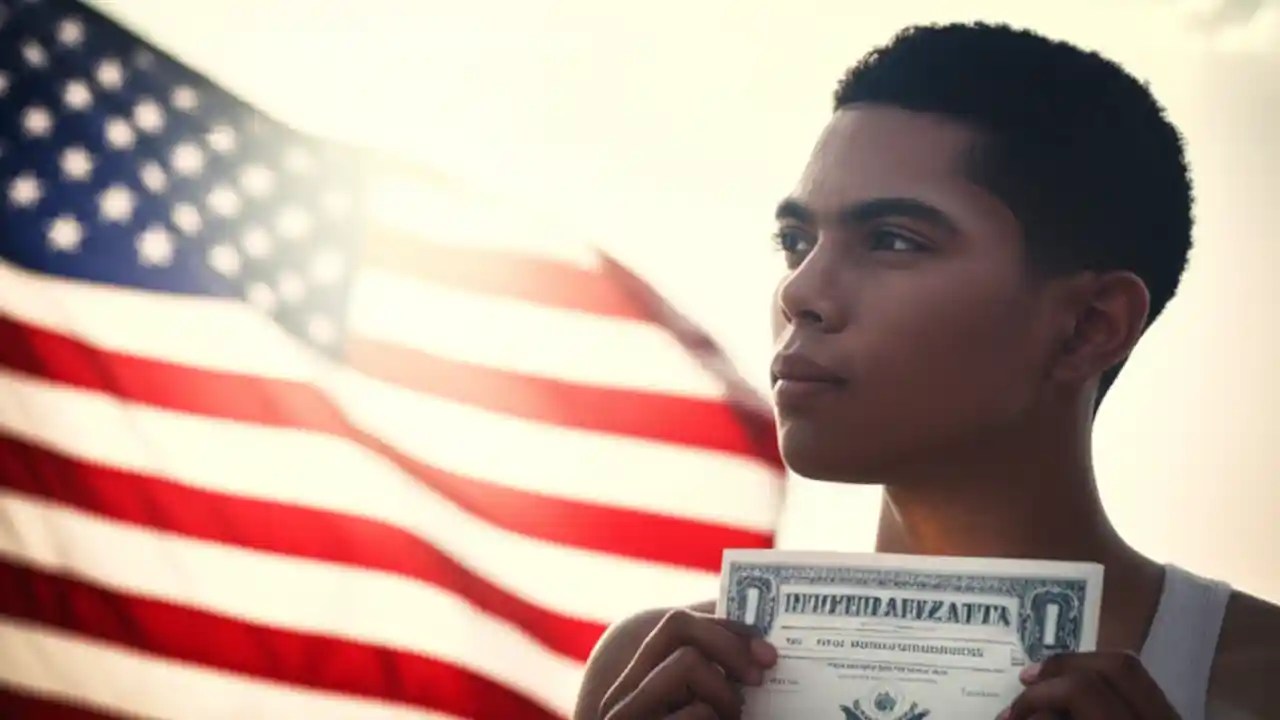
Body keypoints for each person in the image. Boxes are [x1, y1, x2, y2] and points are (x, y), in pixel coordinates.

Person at [572, 21, 1279, 720]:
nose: (800, 294)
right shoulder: (661, 676)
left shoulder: (1259, 680)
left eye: (893, 240)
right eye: (796, 241)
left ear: (1090, 325)